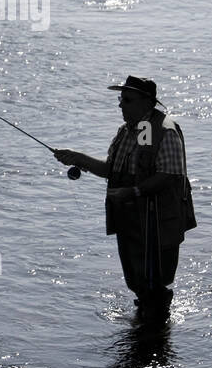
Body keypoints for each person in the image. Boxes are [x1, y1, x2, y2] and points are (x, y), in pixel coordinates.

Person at [53, 76, 190, 325]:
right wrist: (77, 158)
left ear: (147, 103)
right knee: (136, 278)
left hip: (157, 221)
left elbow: (169, 176)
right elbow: (111, 170)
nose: (120, 105)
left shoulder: (165, 130)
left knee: (155, 278)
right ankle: (148, 324)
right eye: (120, 99)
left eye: (126, 100)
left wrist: (133, 192)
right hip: (130, 219)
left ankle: (154, 322)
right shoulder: (129, 130)